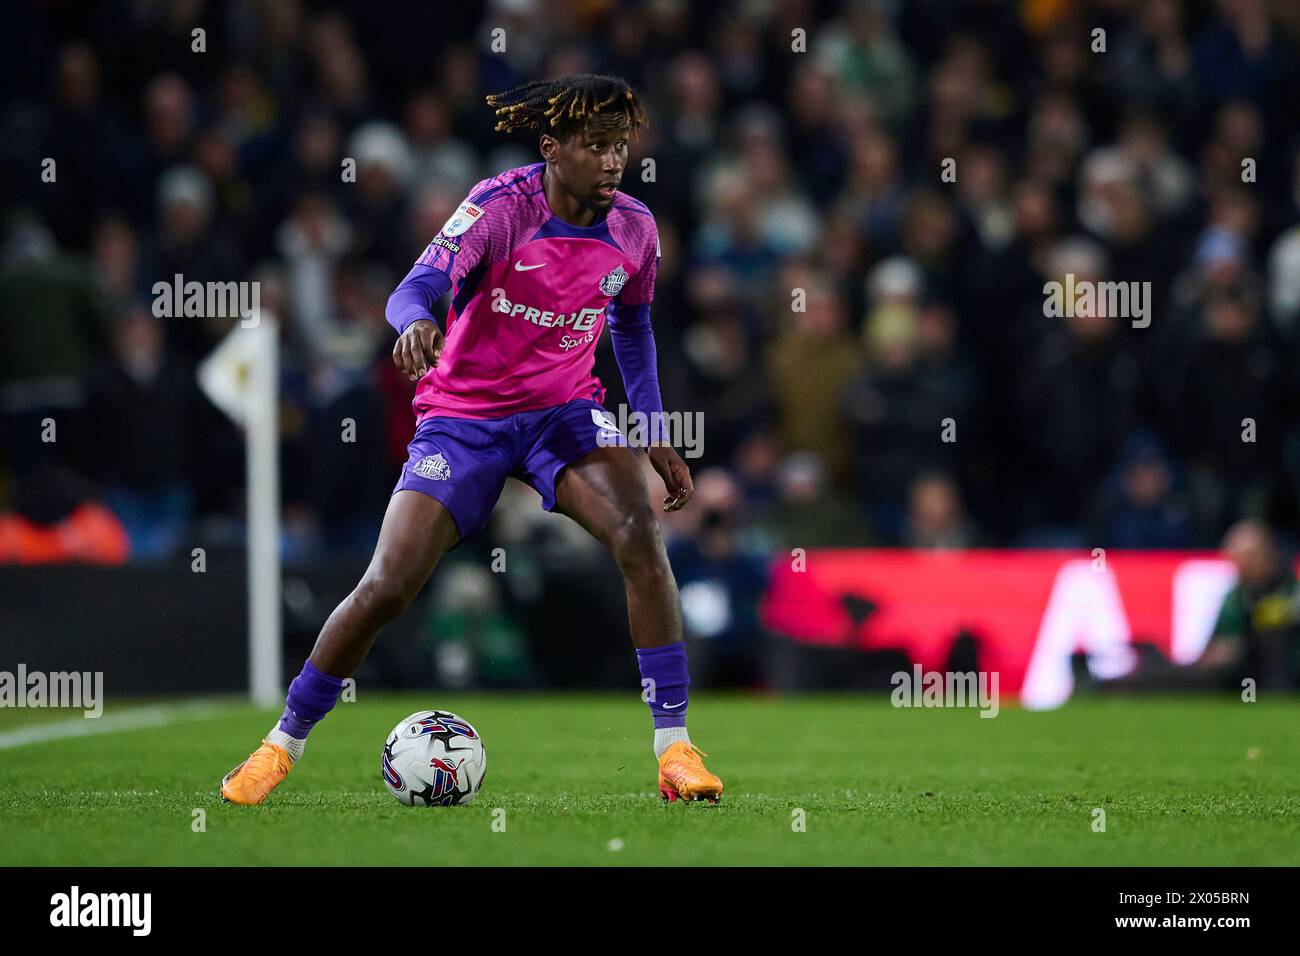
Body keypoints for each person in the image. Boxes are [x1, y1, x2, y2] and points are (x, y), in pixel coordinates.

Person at [220, 75, 723, 805]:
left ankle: (675, 749)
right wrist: (417, 322)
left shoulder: (636, 229)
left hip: (564, 413)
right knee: (388, 585)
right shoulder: (500, 207)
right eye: (596, 147)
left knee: (640, 535)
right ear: (552, 149)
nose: (613, 162)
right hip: (465, 418)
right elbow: (413, 287)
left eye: (620, 147)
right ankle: (281, 744)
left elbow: (633, 325)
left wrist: (652, 426)